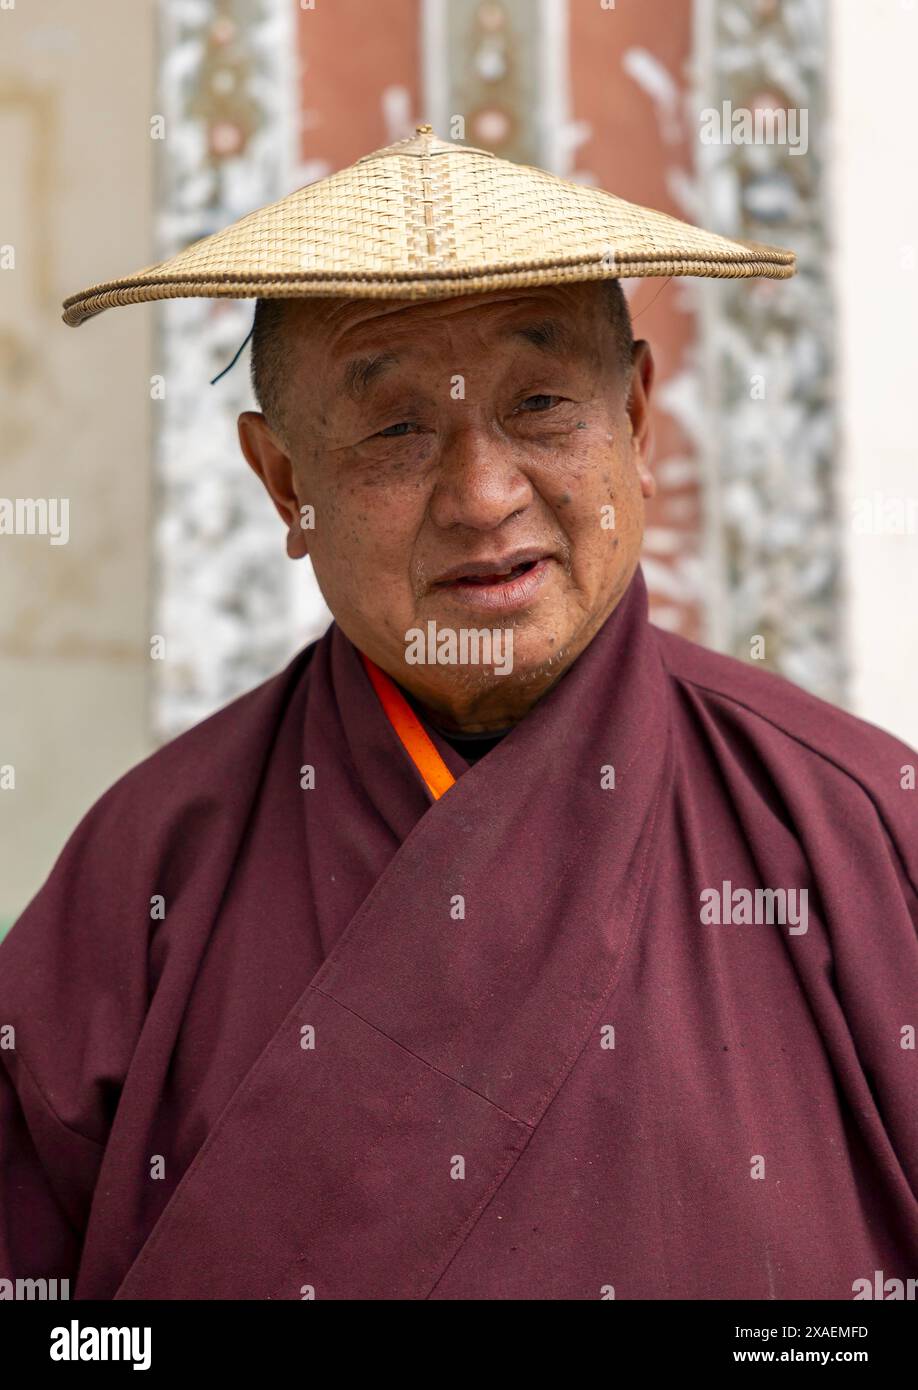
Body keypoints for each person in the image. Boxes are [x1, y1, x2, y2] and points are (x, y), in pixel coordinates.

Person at [2, 128, 915, 1301]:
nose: (484, 496)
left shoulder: (863, 834)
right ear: (286, 484)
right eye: (396, 429)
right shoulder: (144, 877)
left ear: (636, 422)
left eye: (540, 404)